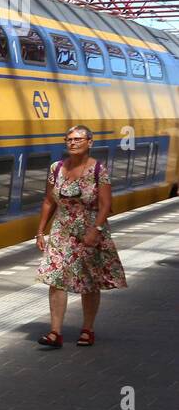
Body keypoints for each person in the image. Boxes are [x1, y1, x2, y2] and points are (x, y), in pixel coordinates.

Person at [34, 125, 127, 349]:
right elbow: (49, 201)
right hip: (61, 231)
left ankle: (87, 329)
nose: (73, 143)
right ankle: (55, 332)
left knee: (89, 280)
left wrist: (95, 230)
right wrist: (40, 231)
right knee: (56, 279)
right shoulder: (56, 168)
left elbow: (106, 204)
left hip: (89, 230)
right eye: (69, 139)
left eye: (78, 139)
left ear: (89, 143)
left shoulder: (98, 170)